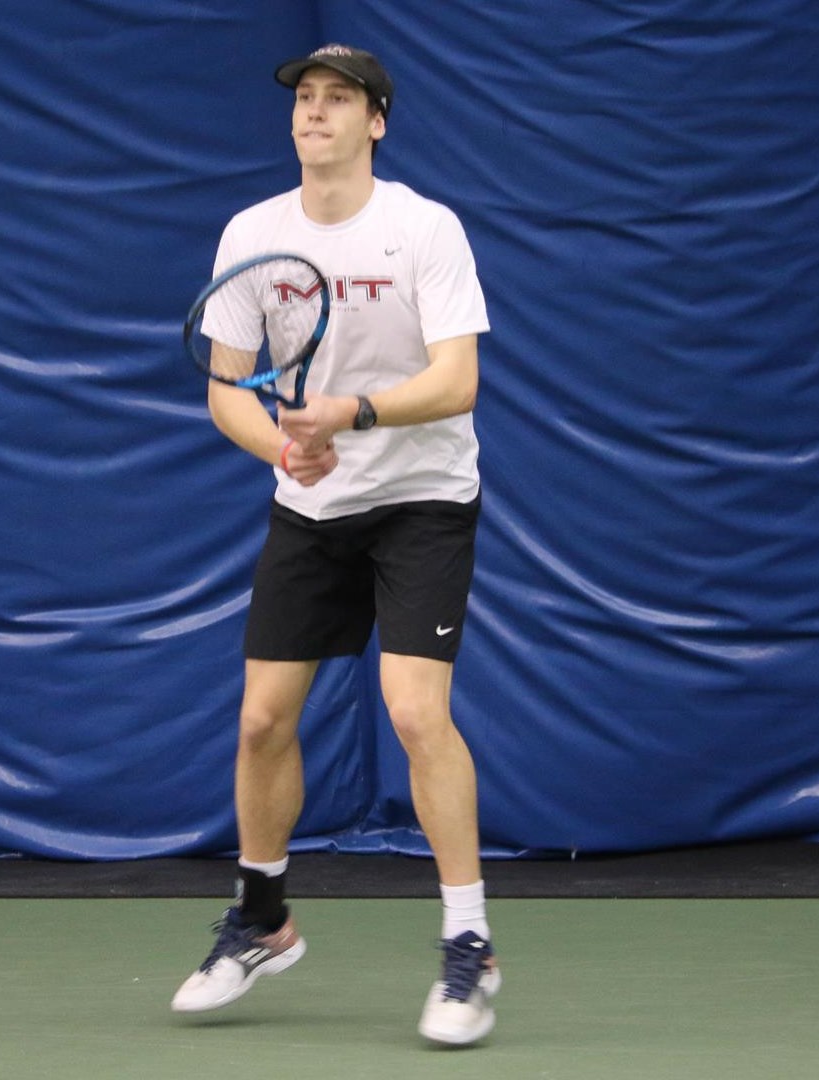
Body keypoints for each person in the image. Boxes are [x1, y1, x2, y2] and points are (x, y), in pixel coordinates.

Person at [169, 44, 499, 1046]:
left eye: (337, 100)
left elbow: (457, 383)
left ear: (376, 123)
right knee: (263, 721)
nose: (313, 114)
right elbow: (226, 382)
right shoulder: (251, 234)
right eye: (304, 100)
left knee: (412, 712)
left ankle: (469, 945)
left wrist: (348, 417)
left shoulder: (420, 230)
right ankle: (262, 919)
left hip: (423, 500)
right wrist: (280, 442)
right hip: (309, 508)